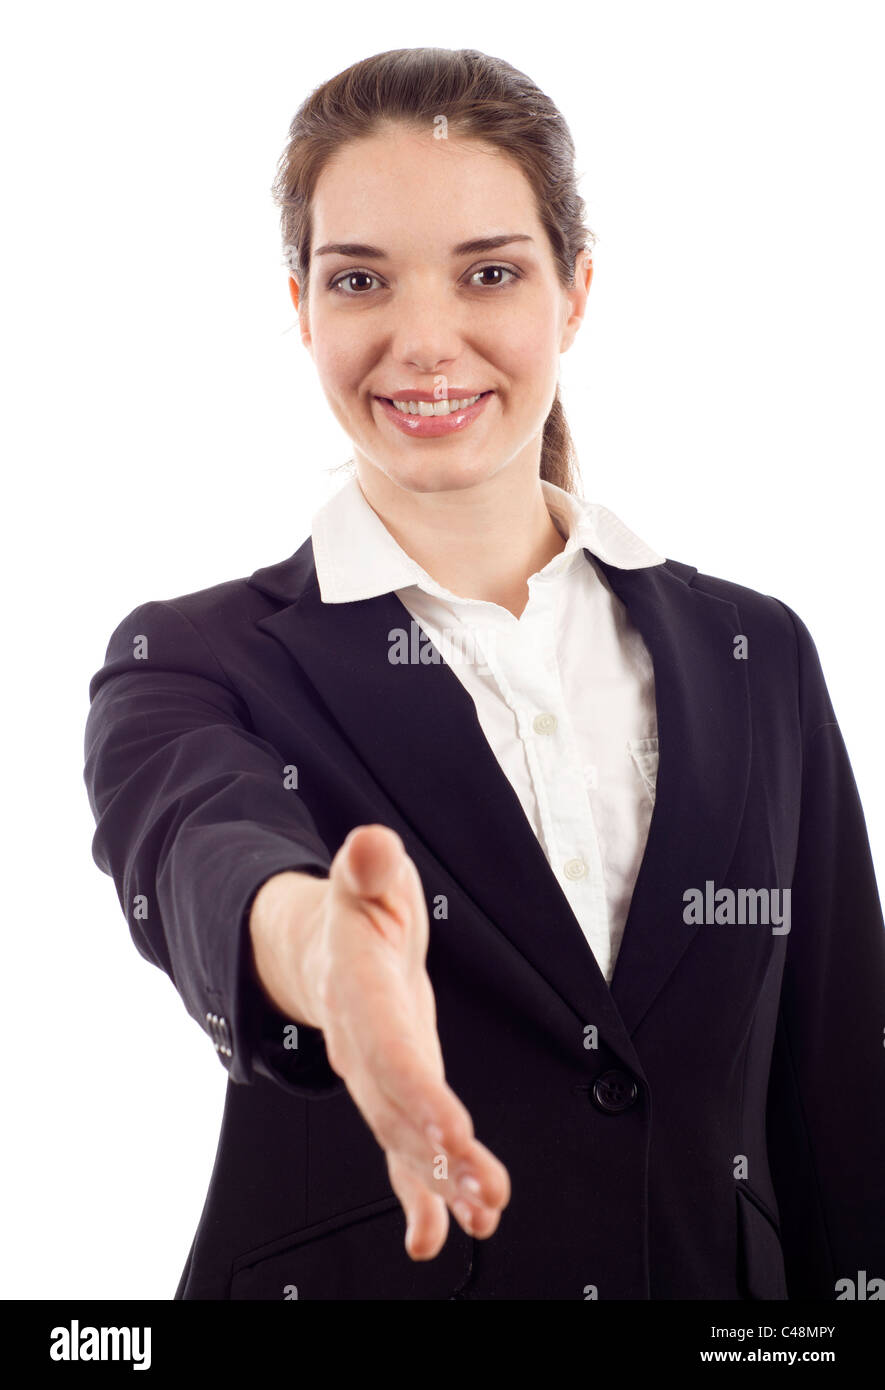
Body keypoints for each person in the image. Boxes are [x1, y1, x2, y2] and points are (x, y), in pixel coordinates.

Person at [83, 47, 885, 1301]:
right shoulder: (193, 657)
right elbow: (202, 846)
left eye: (491, 273)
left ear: (575, 292)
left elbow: (840, 1095)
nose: (424, 342)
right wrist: (320, 953)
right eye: (360, 280)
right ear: (301, 306)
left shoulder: (759, 653)